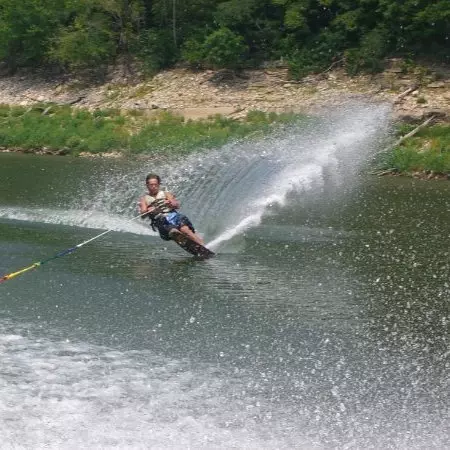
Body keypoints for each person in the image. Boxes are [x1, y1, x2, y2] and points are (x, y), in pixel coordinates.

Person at [139, 173, 204, 246]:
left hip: (173, 216)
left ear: (159, 184)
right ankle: (184, 241)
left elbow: (176, 205)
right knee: (173, 232)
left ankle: (202, 245)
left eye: (156, 184)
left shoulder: (166, 194)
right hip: (160, 221)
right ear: (147, 185)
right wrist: (148, 210)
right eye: (151, 185)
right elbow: (142, 215)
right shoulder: (144, 199)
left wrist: (170, 203)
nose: (154, 187)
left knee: (185, 229)